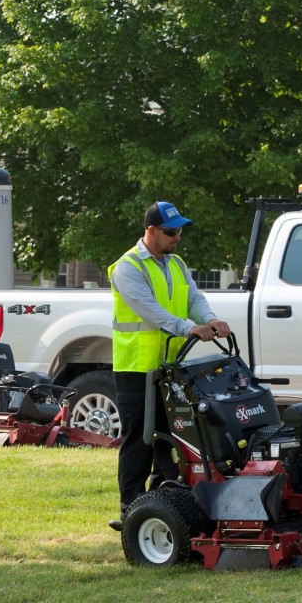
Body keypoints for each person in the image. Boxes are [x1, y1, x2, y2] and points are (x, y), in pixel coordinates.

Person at [108, 201, 231, 529]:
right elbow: (149, 310)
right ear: (150, 231)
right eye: (170, 231)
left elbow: (193, 298)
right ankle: (131, 510)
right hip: (137, 368)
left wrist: (209, 319)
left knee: (171, 435)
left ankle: (162, 499)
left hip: (171, 368)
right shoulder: (128, 267)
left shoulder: (176, 263)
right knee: (140, 438)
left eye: (180, 231)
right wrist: (187, 327)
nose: (177, 237)